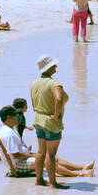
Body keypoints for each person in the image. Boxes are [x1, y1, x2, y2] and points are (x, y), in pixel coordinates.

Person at [0, 106, 93, 179]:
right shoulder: (7, 133)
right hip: (18, 165)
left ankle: (81, 167)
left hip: (22, 159)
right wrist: (35, 156)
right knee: (46, 160)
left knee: (52, 157)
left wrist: (32, 153)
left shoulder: (11, 129)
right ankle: (78, 174)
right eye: (16, 115)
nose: (18, 117)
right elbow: (15, 155)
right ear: (8, 118)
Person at [30, 55, 69, 188]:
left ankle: (39, 179)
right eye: (54, 66)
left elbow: (33, 103)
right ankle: (53, 183)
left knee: (41, 152)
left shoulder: (34, 83)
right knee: (51, 155)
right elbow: (58, 99)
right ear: (50, 67)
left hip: (38, 119)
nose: (56, 68)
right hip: (50, 122)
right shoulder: (54, 83)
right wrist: (56, 116)